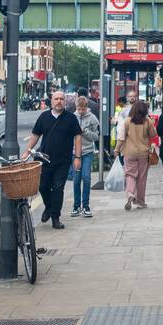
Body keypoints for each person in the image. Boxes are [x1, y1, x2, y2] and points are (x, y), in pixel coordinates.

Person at [23, 90, 82, 229]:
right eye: (56, 99)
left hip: (63, 159)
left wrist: (78, 157)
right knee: (42, 186)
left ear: (65, 101)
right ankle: (48, 207)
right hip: (44, 158)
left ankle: (56, 217)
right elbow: (35, 134)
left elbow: (78, 137)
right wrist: (27, 151)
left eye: (61, 99)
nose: (59, 101)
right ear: (51, 101)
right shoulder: (44, 117)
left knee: (58, 188)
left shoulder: (71, 118)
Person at [120, 100, 158, 209]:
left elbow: (121, 137)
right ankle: (140, 201)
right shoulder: (147, 121)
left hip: (129, 153)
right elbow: (153, 134)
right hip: (143, 153)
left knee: (130, 175)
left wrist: (117, 150)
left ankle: (130, 193)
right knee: (141, 178)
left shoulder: (127, 121)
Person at [69, 95, 100, 218]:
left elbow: (96, 136)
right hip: (75, 152)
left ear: (87, 107)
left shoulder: (92, 118)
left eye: (83, 109)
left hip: (87, 152)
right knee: (76, 179)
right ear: (76, 107)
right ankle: (76, 206)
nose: (81, 111)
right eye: (79, 109)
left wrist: (85, 132)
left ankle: (86, 206)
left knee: (86, 178)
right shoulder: (72, 117)